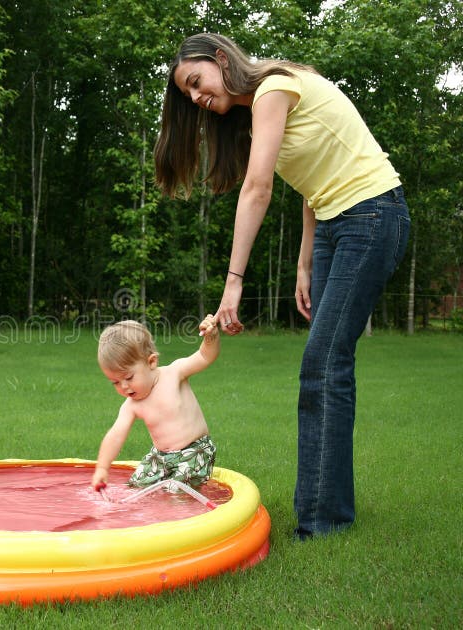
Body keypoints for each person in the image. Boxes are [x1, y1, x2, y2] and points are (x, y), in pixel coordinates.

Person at [154, 33, 411, 539]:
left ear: (220, 60)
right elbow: (312, 181)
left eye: (196, 82)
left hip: (373, 214)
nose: (197, 97)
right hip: (338, 222)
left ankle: (323, 523)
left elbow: (258, 188)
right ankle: (327, 512)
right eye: (188, 94)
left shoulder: (274, 87)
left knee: (324, 365)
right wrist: (303, 262)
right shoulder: (260, 108)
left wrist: (233, 284)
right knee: (327, 364)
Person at [91, 316, 219, 492]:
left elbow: (205, 356)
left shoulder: (174, 374)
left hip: (195, 451)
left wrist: (211, 337)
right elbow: (116, 435)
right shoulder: (132, 405)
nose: (124, 386)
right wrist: (102, 468)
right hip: (160, 457)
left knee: (177, 492)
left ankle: (187, 512)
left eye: (128, 377)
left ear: (151, 362)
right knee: (136, 489)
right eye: (115, 382)